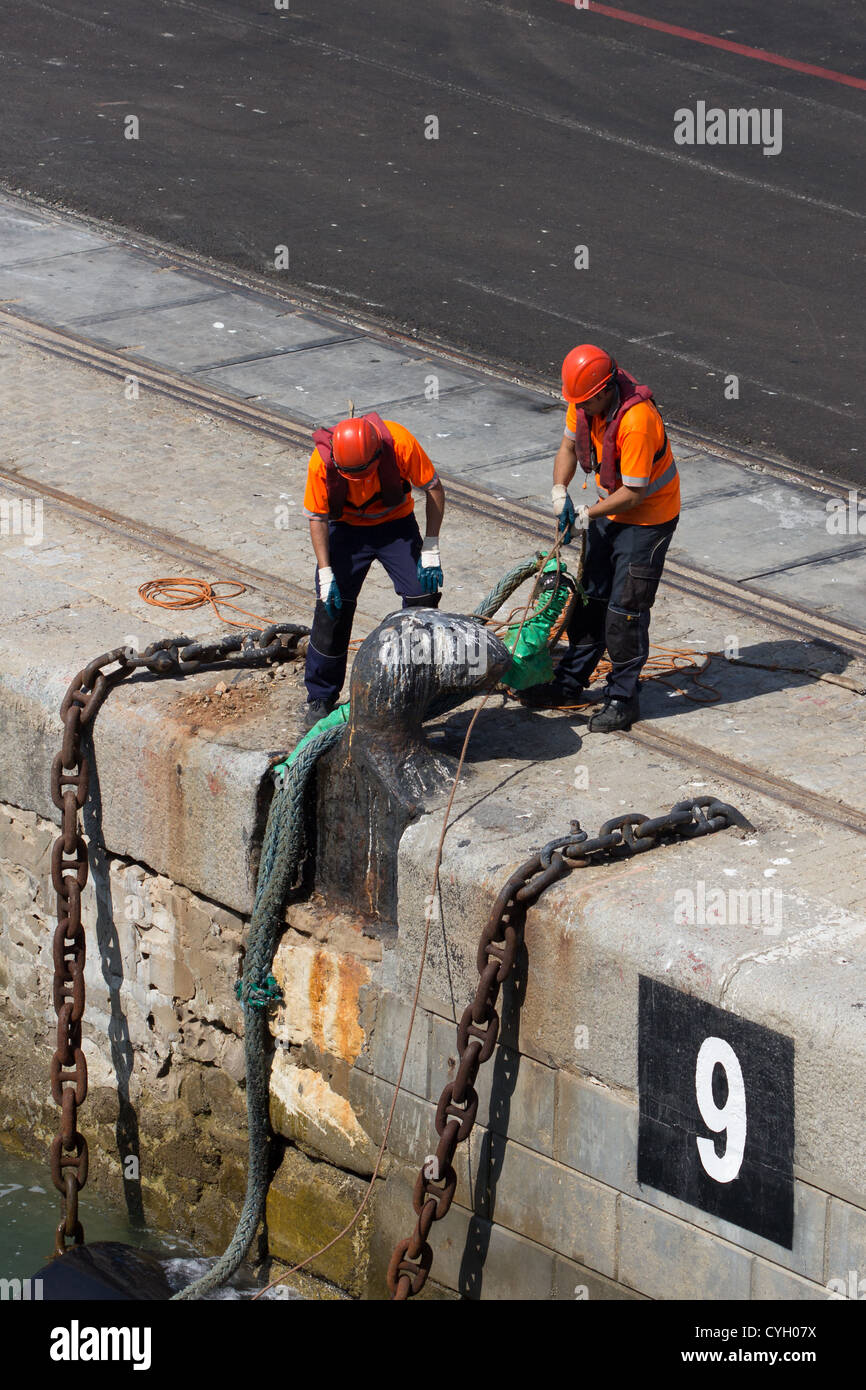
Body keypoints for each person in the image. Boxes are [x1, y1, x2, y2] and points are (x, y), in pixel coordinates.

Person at [524, 344, 680, 731]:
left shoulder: (637, 422)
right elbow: (567, 447)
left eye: (587, 403)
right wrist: (560, 491)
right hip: (608, 511)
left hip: (647, 521)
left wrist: (585, 514)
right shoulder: (584, 399)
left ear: (606, 391)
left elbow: (634, 493)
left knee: (624, 612)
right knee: (591, 598)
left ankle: (622, 699)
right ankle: (570, 683)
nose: (582, 409)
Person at [301, 411, 445, 728]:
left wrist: (430, 547)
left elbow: (433, 488)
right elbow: (317, 518)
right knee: (331, 609)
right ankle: (320, 696)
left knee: (423, 598)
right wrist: (326, 574)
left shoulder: (400, 443)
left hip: (395, 528)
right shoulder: (321, 461)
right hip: (346, 532)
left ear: (377, 455)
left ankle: (415, 687)